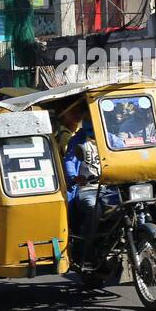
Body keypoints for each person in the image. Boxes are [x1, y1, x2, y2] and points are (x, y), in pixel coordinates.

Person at [60, 106, 101, 263]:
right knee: (93, 207)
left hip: (110, 187)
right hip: (87, 188)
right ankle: (86, 247)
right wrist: (75, 177)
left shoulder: (110, 137)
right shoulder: (76, 141)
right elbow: (69, 161)